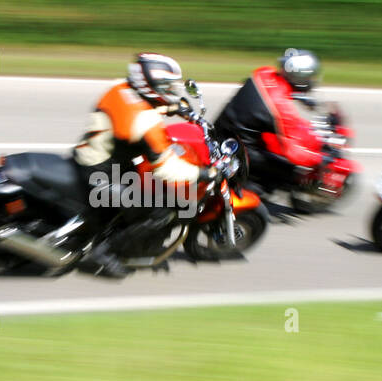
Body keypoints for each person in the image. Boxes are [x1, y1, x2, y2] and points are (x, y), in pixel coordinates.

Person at [73, 53, 217, 276]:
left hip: (91, 156)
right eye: (166, 86)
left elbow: (132, 111)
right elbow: (167, 169)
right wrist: (204, 173)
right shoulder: (146, 121)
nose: (171, 90)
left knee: (142, 184)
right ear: (149, 85)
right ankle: (105, 253)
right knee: (160, 211)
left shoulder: (120, 88)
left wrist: (171, 108)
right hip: (100, 174)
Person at [213, 48, 325, 189]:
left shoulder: (264, 72)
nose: (311, 80)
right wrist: (318, 158)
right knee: (290, 169)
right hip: (236, 150)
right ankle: (256, 194)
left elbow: (275, 96)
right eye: (309, 77)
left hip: (222, 129)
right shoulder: (280, 108)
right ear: (300, 77)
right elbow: (293, 153)